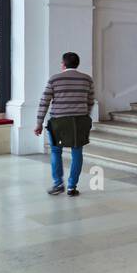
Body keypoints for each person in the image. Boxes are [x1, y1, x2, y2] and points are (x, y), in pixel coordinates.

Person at [34, 51, 95, 196]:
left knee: (56, 151)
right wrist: (85, 116)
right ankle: (71, 187)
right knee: (77, 153)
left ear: (63, 64)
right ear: (77, 64)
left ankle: (58, 184)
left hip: (58, 122)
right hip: (80, 121)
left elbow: (44, 102)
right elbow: (90, 102)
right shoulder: (87, 80)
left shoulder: (54, 79)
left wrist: (39, 123)